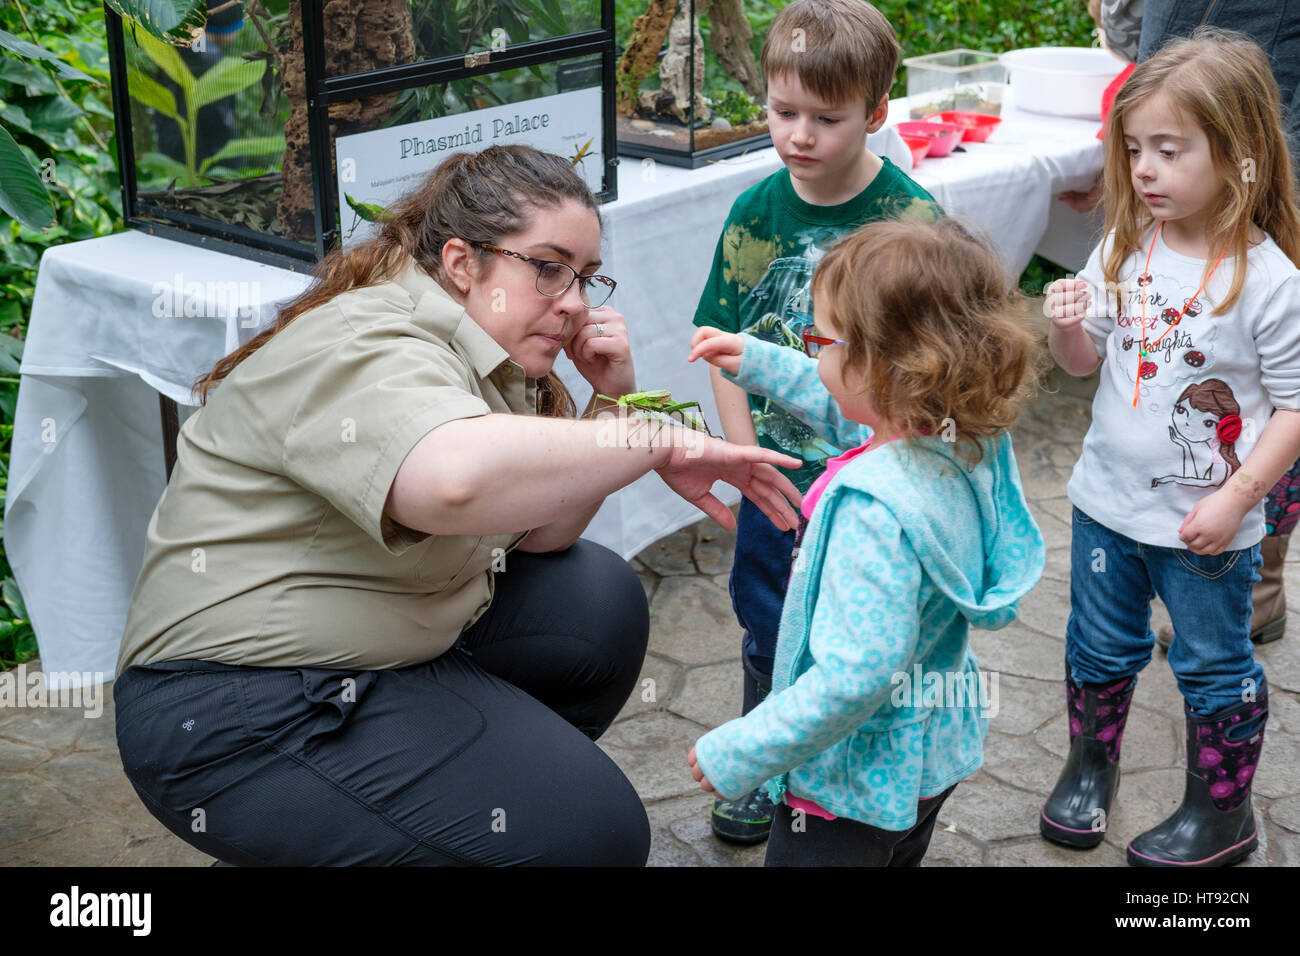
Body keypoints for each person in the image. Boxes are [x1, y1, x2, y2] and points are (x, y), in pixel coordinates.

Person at [111, 144, 803, 867]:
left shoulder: (479, 348)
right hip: (236, 709)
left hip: (365, 653)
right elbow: (450, 482)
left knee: (593, 600)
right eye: (548, 267)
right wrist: (651, 440)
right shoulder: (368, 337)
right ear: (463, 262)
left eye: (586, 278)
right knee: (590, 835)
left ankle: (409, 829)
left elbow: (539, 538)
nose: (574, 301)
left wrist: (612, 403)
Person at [684, 218, 1045, 866]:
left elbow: (856, 674)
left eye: (820, 338)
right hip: (925, 755)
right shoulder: (961, 441)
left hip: (847, 781)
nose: (812, 349)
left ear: (881, 364)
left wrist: (744, 747)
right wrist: (761, 363)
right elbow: (853, 407)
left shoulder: (876, 508)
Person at [1042, 29, 1300, 866]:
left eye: (1169, 149)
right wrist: (1068, 331)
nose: (1144, 169)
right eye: (1134, 149)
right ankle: (1090, 768)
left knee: (1213, 665)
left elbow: (1296, 407)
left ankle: (1221, 813)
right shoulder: (1126, 242)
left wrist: (1236, 498)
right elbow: (1088, 365)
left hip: (1207, 530)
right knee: (1097, 644)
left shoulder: (1269, 283)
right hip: (1105, 507)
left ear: (1240, 153)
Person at [692, 0, 943, 845]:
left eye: (825, 118)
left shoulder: (910, 223)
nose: (798, 134)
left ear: (876, 114)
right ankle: (762, 762)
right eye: (781, 110)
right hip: (781, 473)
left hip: (876, 476)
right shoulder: (754, 214)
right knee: (769, 620)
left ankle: (859, 768)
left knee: (864, 634)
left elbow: (938, 361)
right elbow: (723, 346)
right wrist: (741, 453)